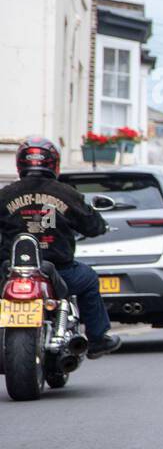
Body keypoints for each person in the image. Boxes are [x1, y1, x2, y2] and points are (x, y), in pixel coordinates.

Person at [0, 137, 120, 358]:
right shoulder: (66, 194)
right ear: (54, 164)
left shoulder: (5, 195)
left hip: (9, 272)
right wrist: (99, 225)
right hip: (59, 271)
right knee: (89, 279)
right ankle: (97, 339)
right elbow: (92, 226)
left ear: (20, 164)